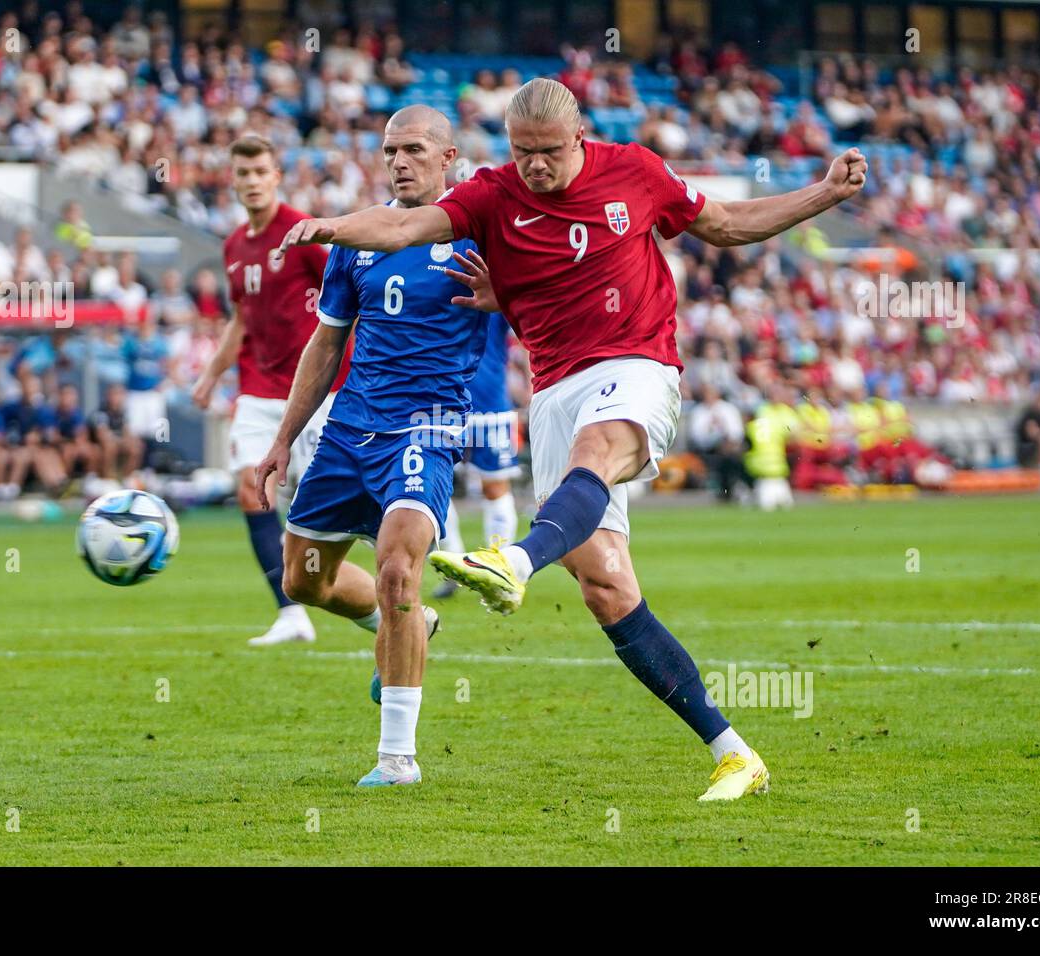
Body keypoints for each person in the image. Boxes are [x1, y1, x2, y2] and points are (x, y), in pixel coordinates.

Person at [277, 77, 868, 802]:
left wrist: (824, 193)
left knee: (595, 453)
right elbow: (403, 228)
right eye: (523, 151)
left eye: (550, 152)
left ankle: (515, 559)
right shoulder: (492, 196)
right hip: (554, 390)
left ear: (580, 137)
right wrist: (331, 227)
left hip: (635, 365)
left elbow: (725, 222)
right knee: (607, 589)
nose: (536, 165)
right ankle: (735, 753)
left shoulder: (636, 171)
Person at [256, 106, 493, 787]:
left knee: (397, 571)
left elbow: (537, 300)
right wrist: (283, 439)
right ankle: (414, 627)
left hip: (427, 426)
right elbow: (327, 341)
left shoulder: (478, 230)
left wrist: (503, 294)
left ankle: (397, 757)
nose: (398, 161)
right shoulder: (357, 239)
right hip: (349, 427)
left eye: (413, 149)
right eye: (390, 151)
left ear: (447, 157)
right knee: (302, 580)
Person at [192, 135, 349, 647]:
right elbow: (241, 319)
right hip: (258, 390)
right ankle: (290, 613)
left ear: (276, 176)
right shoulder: (234, 246)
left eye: (261, 171)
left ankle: (387, 594)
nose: (252, 181)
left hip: (316, 392)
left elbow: (349, 294)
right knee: (251, 489)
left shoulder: (303, 234)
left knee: (330, 510)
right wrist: (211, 374)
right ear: (233, 180)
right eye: (243, 173)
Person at [434, 311, 521, 598]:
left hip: (490, 405)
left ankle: (500, 568)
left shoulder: (494, 294)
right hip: (441, 405)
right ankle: (453, 563)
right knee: (435, 486)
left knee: (494, 487)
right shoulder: (432, 290)